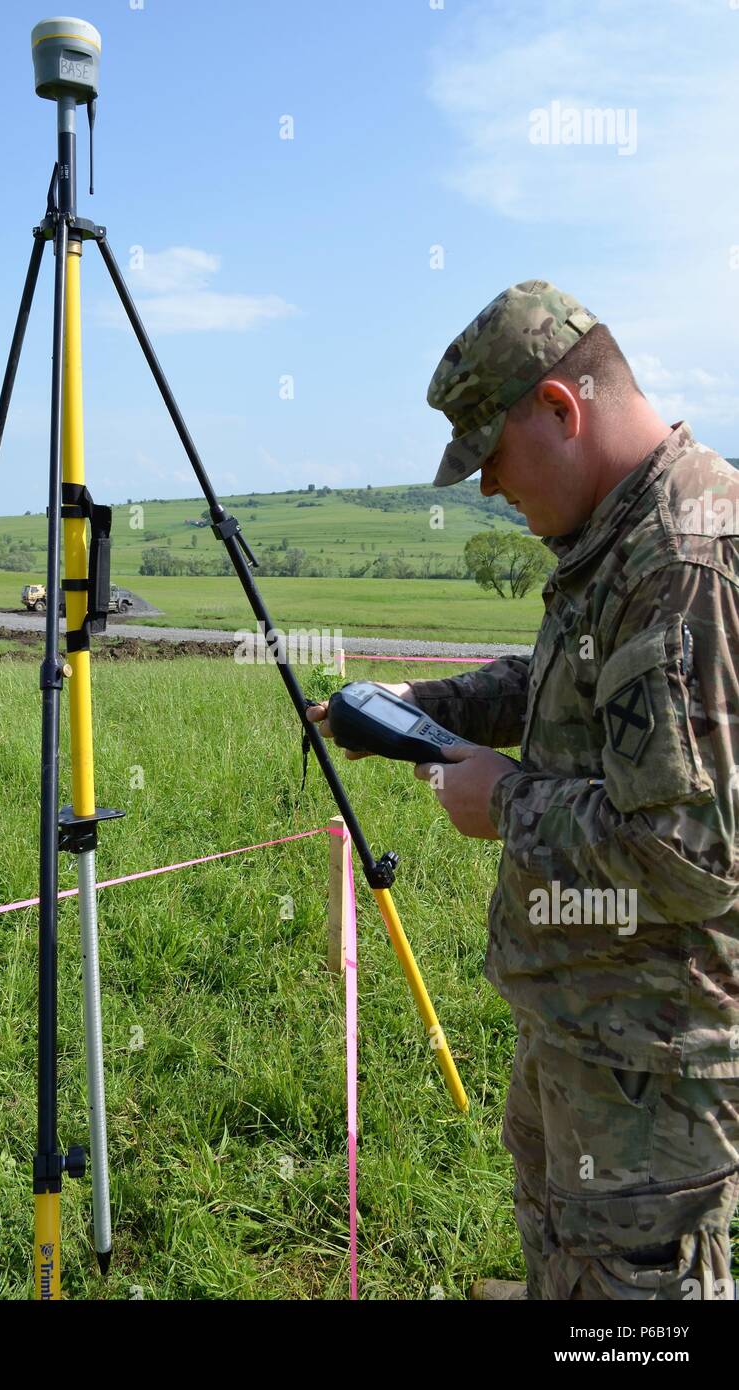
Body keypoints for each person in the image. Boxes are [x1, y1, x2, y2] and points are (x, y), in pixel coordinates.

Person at [307, 280, 739, 1300]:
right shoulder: (613, 536)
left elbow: (693, 855)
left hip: (653, 1059)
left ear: (560, 408)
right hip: (582, 1021)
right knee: (567, 1269)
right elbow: (564, 683)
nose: (492, 492)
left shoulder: (682, 561)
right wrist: (422, 706)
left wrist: (502, 802)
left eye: (492, 460)